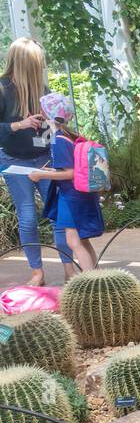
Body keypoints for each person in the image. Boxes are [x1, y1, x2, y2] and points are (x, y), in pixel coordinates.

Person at [0, 37, 72, 283]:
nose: (42, 66)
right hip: (14, 161)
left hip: (43, 159)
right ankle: (37, 272)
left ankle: (69, 269)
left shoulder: (42, 90)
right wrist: (19, 125)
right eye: (38, 62)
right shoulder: (2, 89)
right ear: (25, 63)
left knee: (58, 216)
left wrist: (54, 122)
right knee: (28, 216)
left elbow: (57, 127)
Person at [26, 93, 100, 272]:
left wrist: (40, 175)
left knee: (73, 240)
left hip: (71, 197)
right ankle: (97, 277)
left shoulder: (58, 139)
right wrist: (51, 171)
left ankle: (90, 281)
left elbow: (70, 173)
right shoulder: (68, 136)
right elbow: (68, 168)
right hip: (80, 195)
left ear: (47, 113)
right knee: (82, 240)